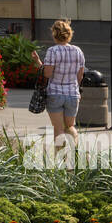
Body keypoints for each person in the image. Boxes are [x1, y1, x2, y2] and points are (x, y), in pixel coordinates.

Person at [40, 19, 86, 147]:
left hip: (55, 93)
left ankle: (60, 161)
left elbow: (48, 74)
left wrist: (39, 65)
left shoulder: (52, 51)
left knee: (58, 129)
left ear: (54, 34)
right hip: (72, 94)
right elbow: (80, 75)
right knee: (70, 126)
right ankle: (75, 154)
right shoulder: (78, 51)